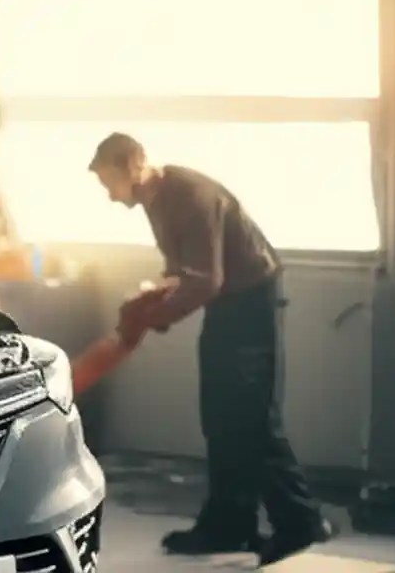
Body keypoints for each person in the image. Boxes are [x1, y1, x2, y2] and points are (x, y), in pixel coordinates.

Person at [88, 132, 334, 566]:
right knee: (220, 416)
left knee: (251, 420)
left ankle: (300, 523)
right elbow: (182, 271)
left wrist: (151, 317)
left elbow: (205, 280)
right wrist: (151, 298)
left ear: (136, 164)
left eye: (111, 183)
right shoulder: (157, 199)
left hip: (250, 303)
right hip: (227, 306)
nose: (109, 197)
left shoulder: (189, 195)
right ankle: (228, 525)